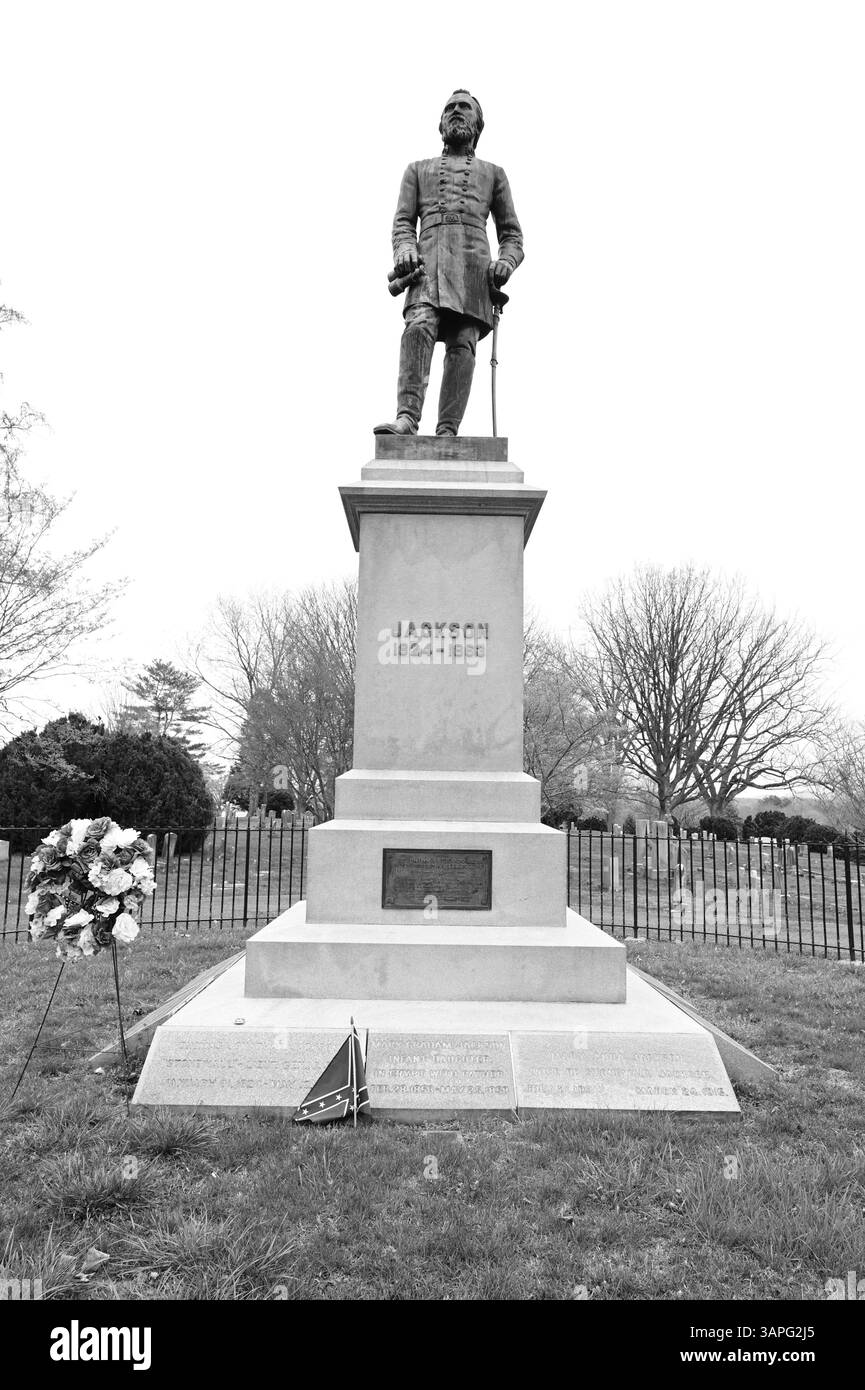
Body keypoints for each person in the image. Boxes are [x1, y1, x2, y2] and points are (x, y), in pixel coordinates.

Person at [374, 90, 524, 437]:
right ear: (441, 123)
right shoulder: (417, 170)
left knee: (463, 343)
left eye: (464, 108)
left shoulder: (494, 174)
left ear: (477, 124)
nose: (456, 112)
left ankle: (447, 431)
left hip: (473, 266)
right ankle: (407, 417)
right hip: (428, 261)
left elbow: (513, 235)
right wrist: (403, 251)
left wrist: (506, 262)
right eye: (450, 108)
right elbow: (402, 224)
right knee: (418, 328)